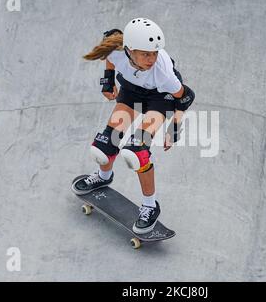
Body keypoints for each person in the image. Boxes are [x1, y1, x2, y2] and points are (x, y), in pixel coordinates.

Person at [71, 18, 195, 234]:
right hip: (131, 91)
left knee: (136, 152)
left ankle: (150, 206)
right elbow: (109, 58)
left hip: (160, 98)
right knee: (104, 147)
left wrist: (173, 129)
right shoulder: (117, 50)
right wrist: (108, 81)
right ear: (129, 51)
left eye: (155, 52)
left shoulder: (164, 73)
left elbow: (185, 98)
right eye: (146, 53)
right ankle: (103, 177)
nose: (152, 58)